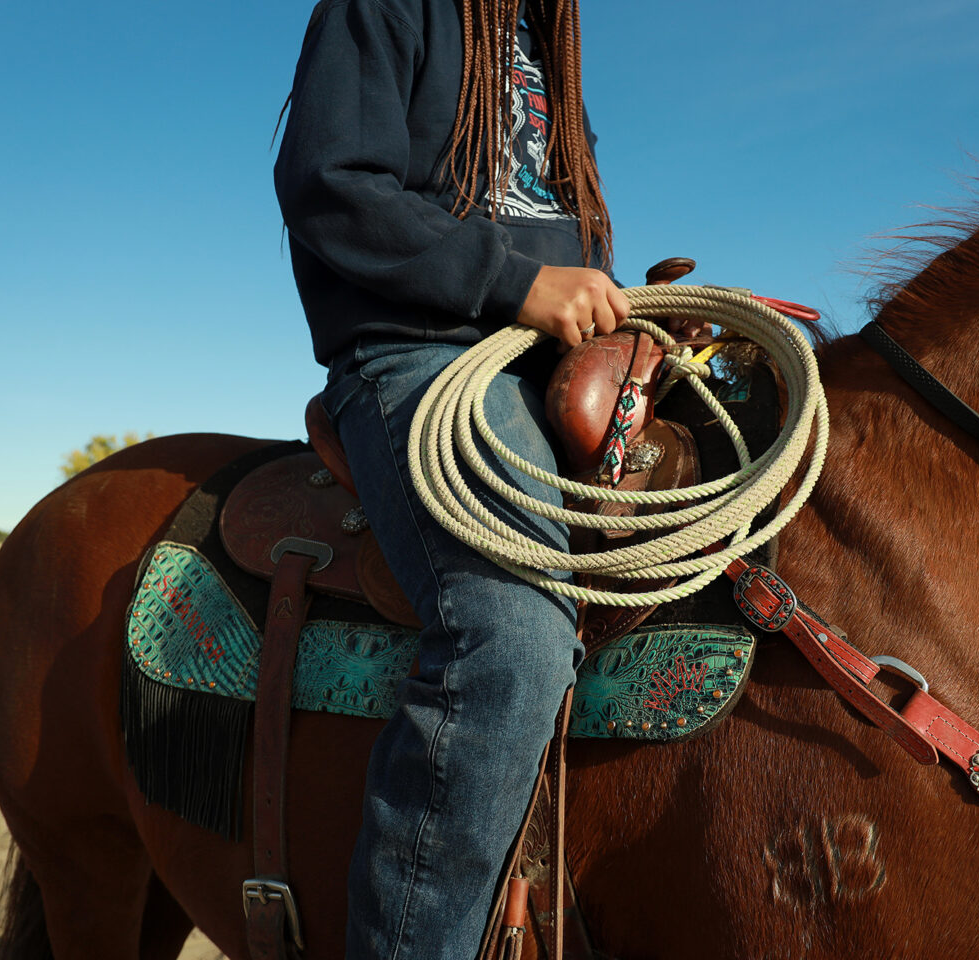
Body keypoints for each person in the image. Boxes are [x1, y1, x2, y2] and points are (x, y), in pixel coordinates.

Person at [274, 1, 627, 956]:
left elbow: (572, 235)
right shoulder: (385, 7)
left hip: (544, 360)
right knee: (512, 638)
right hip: (419, 355)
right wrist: (513, 283)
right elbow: (328, 181)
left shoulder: (550, 44)